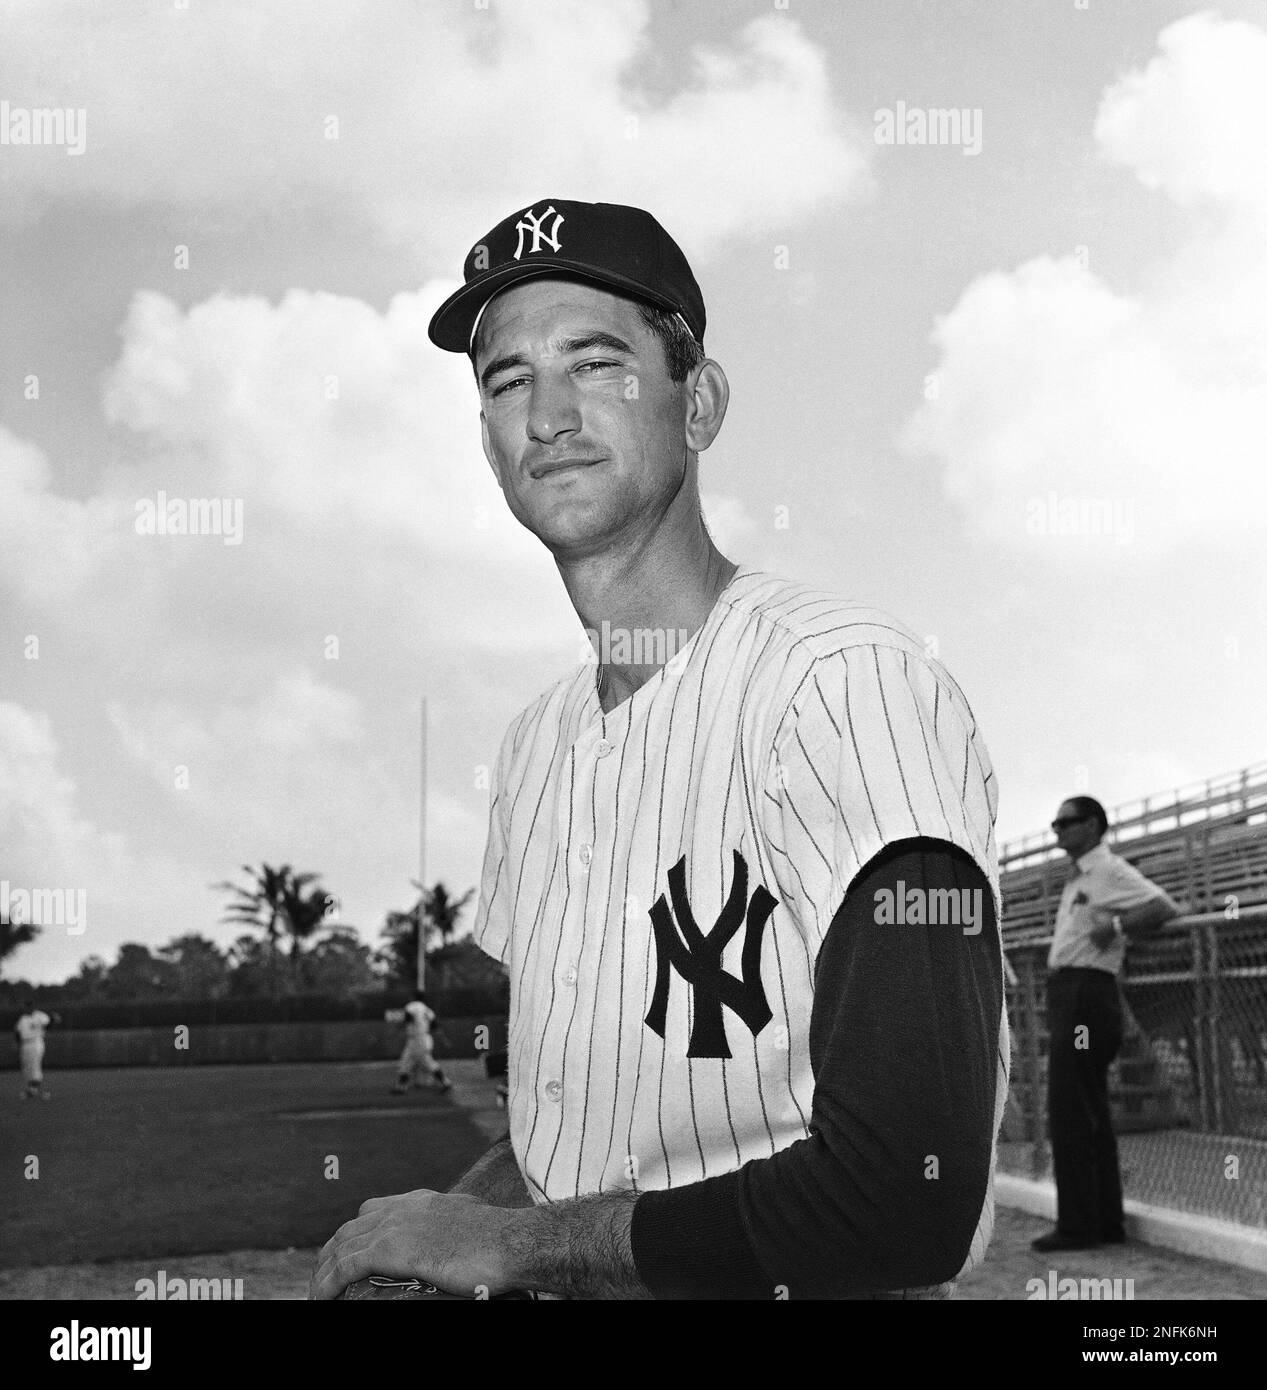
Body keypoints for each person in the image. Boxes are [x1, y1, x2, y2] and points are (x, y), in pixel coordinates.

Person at [312, 198, 1008, 1300]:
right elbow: (568, 1144)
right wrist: (447, 1231)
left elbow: (903, 1202)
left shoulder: (844, 685)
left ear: (701, 403)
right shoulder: (535, 747)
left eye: (597, 364)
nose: (547, 413)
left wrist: (520, 1243)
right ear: (486, 442)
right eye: (506, 380)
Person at [1030, 795, 1180, 1252]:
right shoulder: (1083, 875)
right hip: (1076, 994)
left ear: (1092, 825)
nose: (1057, 830)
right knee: (1085, 1109)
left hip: (1086, 996)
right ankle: (1103, 1222)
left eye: (1066, 823)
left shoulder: (1107, 870)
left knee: (1073, 1111)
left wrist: (1115, 928)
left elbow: (1163, 906)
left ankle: (1080, 1226)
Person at [391, 991, 452, 1095]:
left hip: (417, 1040)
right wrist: (444, 1040)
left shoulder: (412, 1006)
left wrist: (396, 1030)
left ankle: (446, 1083)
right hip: (424, 1038)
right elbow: (435, 1027)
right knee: (405, 1062)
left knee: (427, 1063)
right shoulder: (428, 1010)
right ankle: (400, 1088)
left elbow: (408, 1018)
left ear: (414, 997)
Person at [14, 999, 56, 1100]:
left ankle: (34, 1090)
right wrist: (16, 1043)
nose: (27, 1008)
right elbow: (17, 1032)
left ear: (33, 1007)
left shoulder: (40, 1015)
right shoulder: (23, 1018)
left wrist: (53, 1019)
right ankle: (32, 1090)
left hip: (36, 1042)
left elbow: (48, 1025)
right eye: (26, 1007)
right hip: (25, 1044)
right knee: (27, 1067)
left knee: (34, 1065)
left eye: (29, 1006)